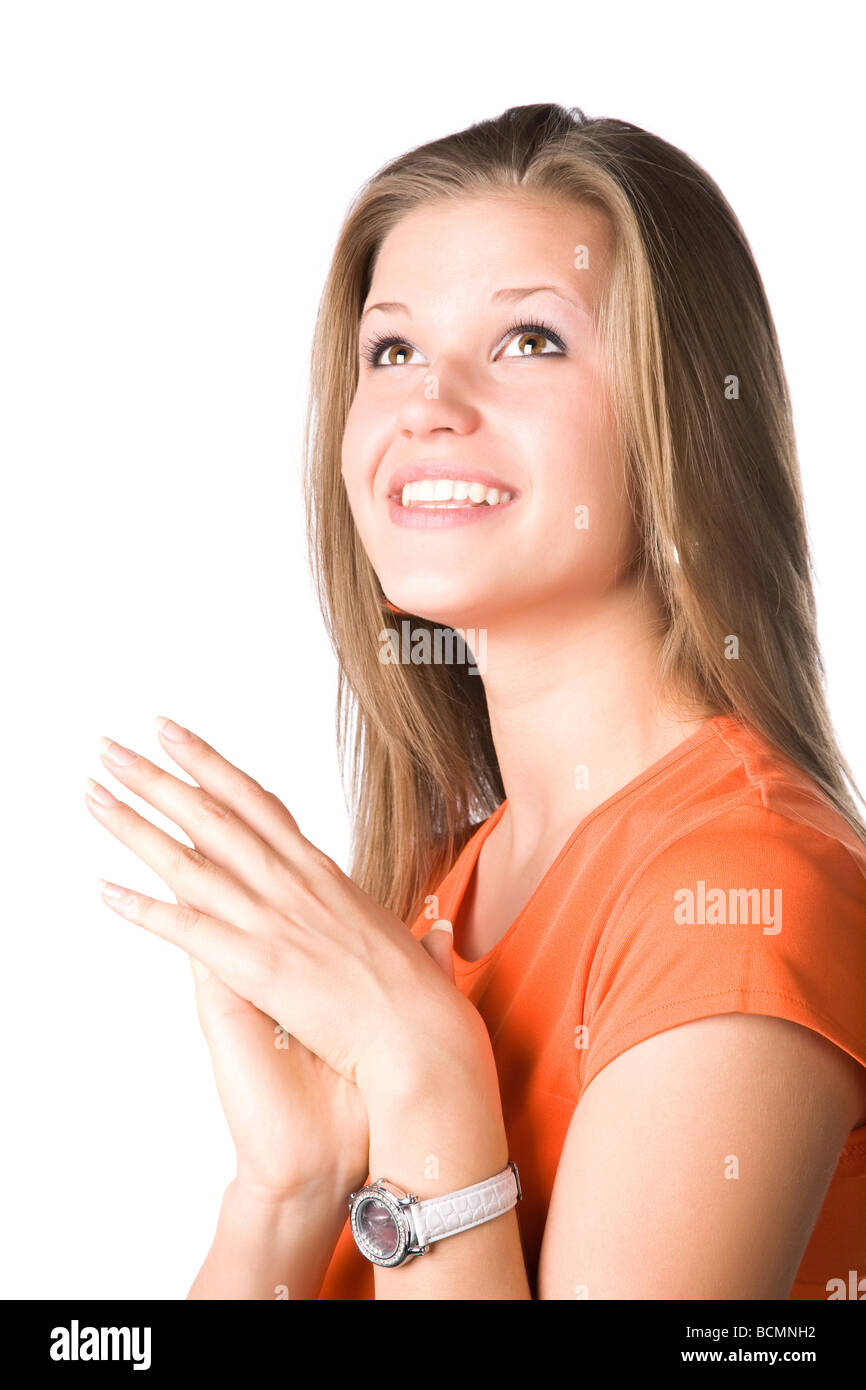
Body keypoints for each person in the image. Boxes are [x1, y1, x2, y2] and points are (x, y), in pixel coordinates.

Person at [87, 103, 866, 1299]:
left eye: (529, 341)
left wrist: (427, 1083)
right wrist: (280, 1197)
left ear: (680, 423)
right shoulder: (433, 897)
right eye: (390, 350)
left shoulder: (743, 899)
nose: (425, 403)